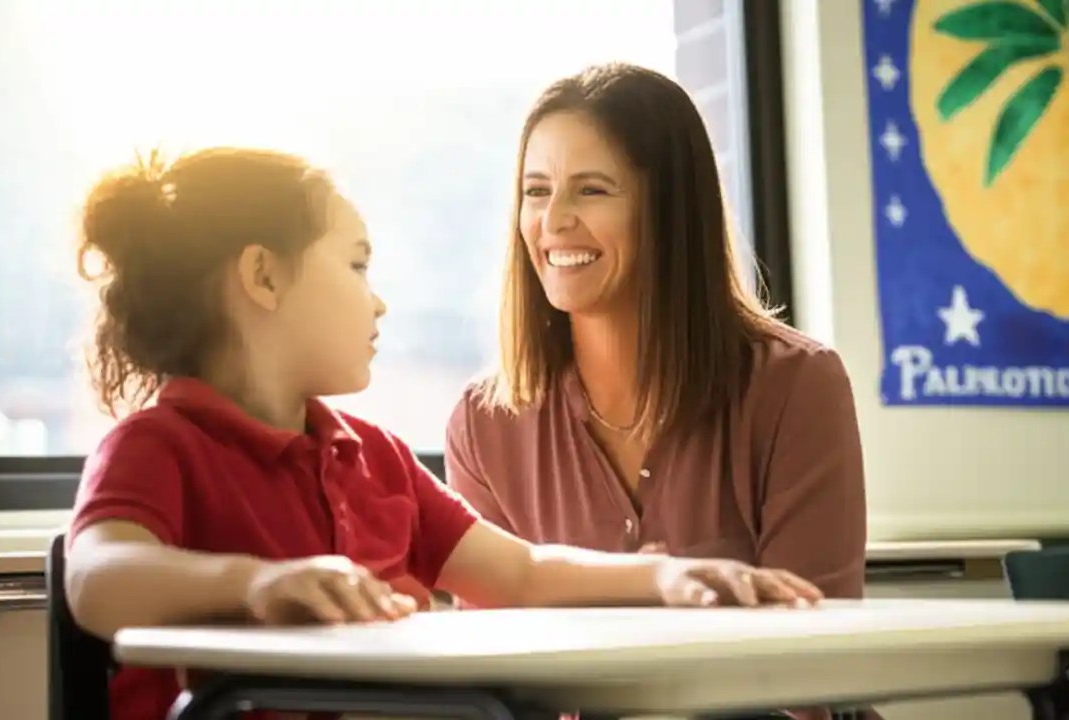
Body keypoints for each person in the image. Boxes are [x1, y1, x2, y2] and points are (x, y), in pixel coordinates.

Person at [63, 147, 823, 720]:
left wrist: (662, 578)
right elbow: (96, 582)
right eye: (357, 265)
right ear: (263, 276)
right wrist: (254, 586)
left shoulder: (376, 457)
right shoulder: (155, 448)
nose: (380, 302)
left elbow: (520, 573)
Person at [446, 63, 867, 599]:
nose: (553, 220)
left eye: (592, 190)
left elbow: (816, 640)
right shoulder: (482, 427)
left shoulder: (797, 387)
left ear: (669, 210)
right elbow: (492, 656)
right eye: (536, 191)